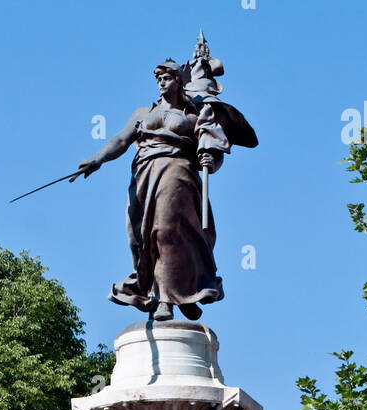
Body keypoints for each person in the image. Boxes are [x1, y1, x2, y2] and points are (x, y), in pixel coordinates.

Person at [71, 55, 257, 322]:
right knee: (141, 238)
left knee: (167, 231)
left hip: (177, 173)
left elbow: (213, 152)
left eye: (166, 77)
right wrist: (97, 159)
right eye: (158, 78)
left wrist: (211, 161)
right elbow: (121, 140)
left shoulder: (195, 115)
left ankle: (166, 299)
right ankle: (185, 292)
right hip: (143, 175)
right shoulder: (143, 113)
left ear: (180, 80)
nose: (160, 82)